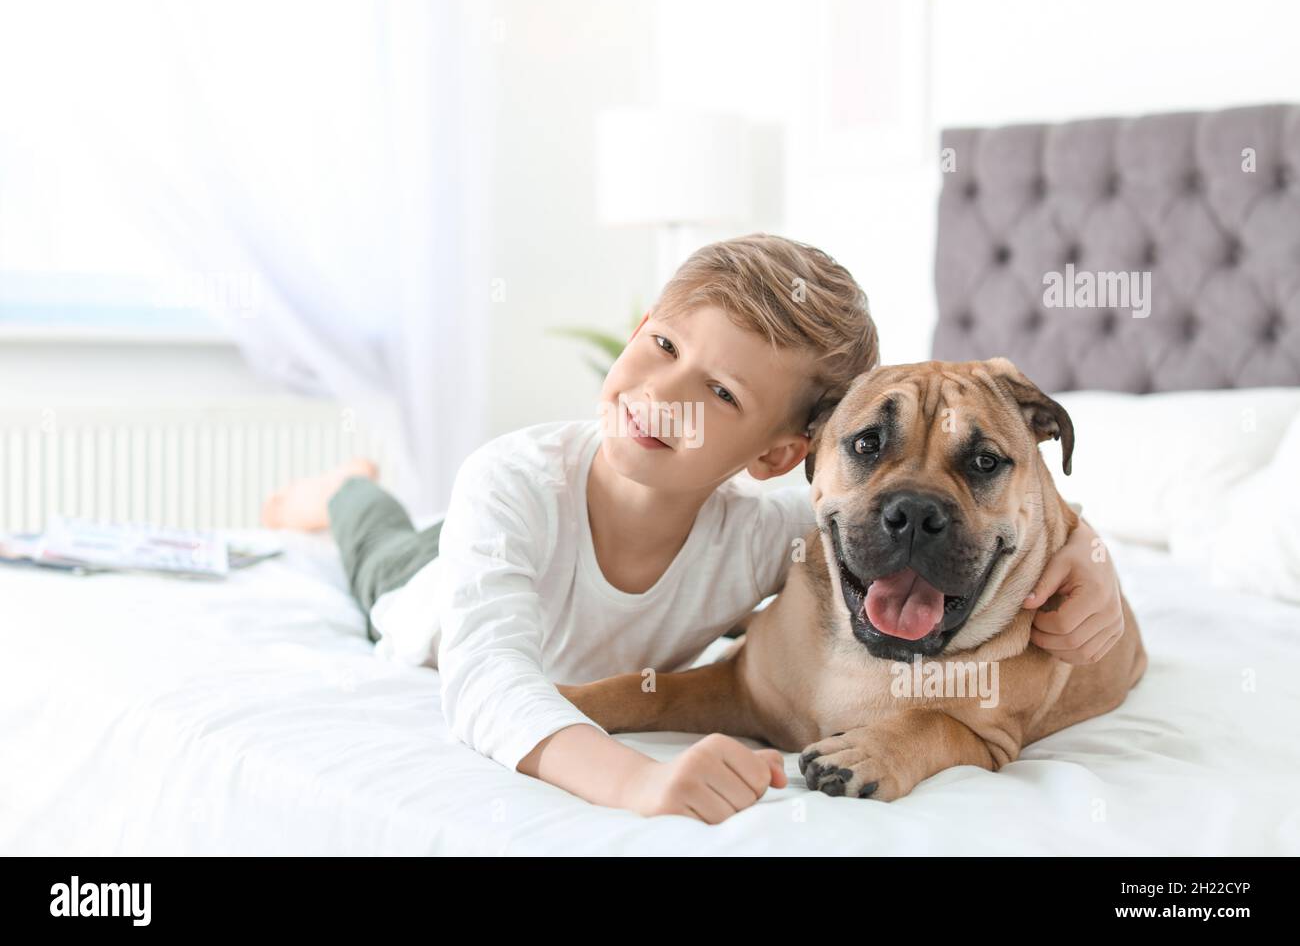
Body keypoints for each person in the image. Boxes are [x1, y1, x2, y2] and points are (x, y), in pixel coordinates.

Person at [261, 233, 1125, 824]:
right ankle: (341, 490)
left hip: (522, 540)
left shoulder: (766, 537)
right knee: (380, 543)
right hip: (433, 592)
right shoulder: (506, 480)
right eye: (666, 348)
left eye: (722, 396)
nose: (667, 397)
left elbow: (969, 516)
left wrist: (1089, 557)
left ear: (784, 455)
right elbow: (486, 679)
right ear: (637, 331)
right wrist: (636, 784)